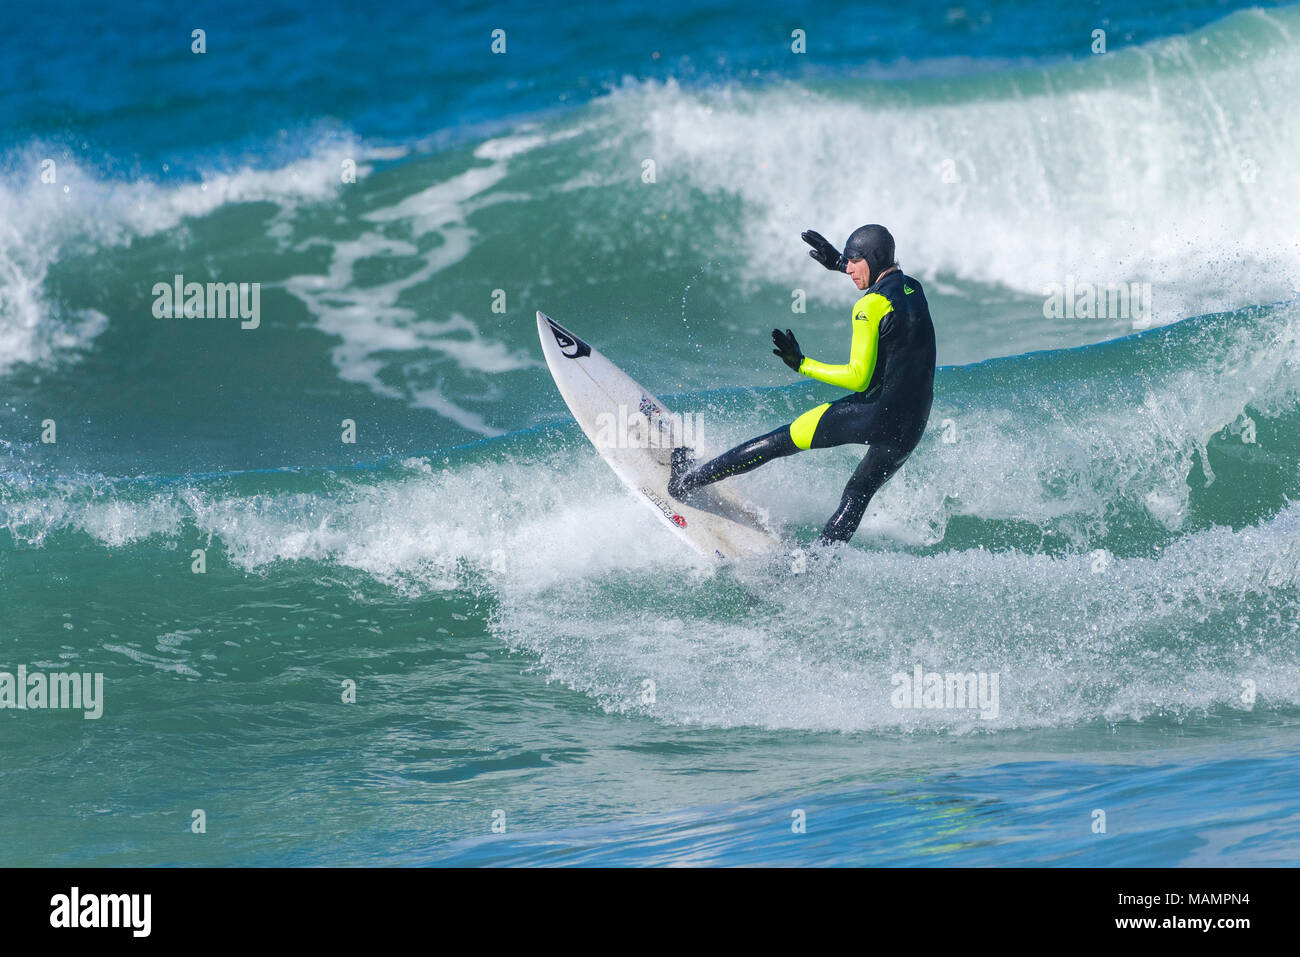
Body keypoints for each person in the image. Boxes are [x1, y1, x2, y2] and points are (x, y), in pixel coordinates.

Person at [667, 224, 936, 544]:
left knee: (780, 441)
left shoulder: (868, 306)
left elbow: (858, 377)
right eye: (846, 261)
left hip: (875, 413)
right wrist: (837, 262)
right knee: (858, 493)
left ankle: (685, 482)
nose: (848, 268)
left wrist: (802, 364)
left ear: (873, 258)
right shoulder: (914, 289)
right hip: (912, 422)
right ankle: (815, 571)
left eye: (854, 260)